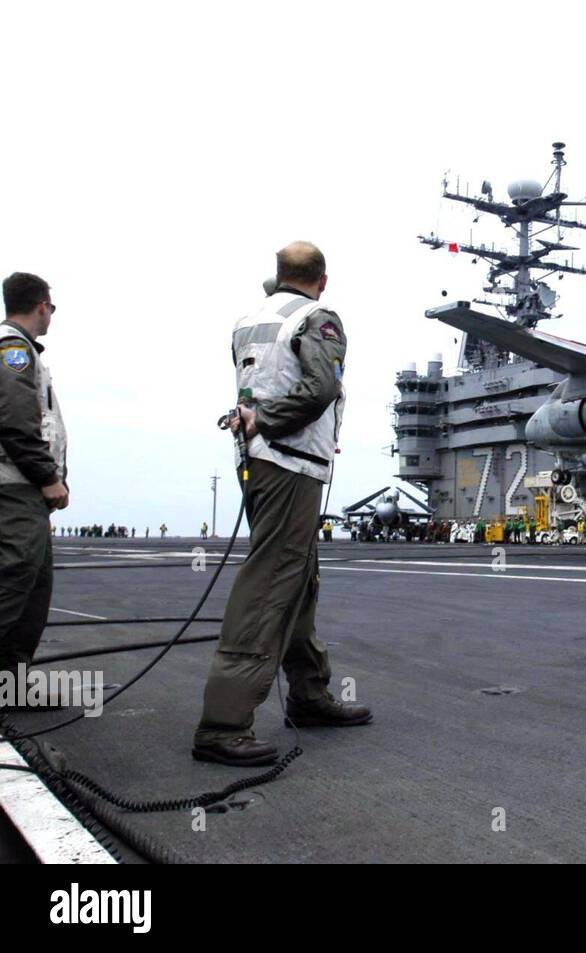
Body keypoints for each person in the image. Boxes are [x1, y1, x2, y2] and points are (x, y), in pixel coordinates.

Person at [194, 242, 370, 767]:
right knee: (272, 580)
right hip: (289, 463)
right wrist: (268, 419)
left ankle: (308, 694)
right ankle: (222, 725)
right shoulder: (318, 317)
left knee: (299, 577)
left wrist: (258, 421)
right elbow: (320, 388)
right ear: (323, 278)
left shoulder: (250, 319)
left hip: (257, 463)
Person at [0, 273, 69, 696]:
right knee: (12, 583)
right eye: (52, 309)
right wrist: (47, 478)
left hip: (23, 489)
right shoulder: (14, 351)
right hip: (15, 485)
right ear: (42, 305)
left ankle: (11, 685)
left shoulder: (22, 351)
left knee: (33, 592)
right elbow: (13, 422)